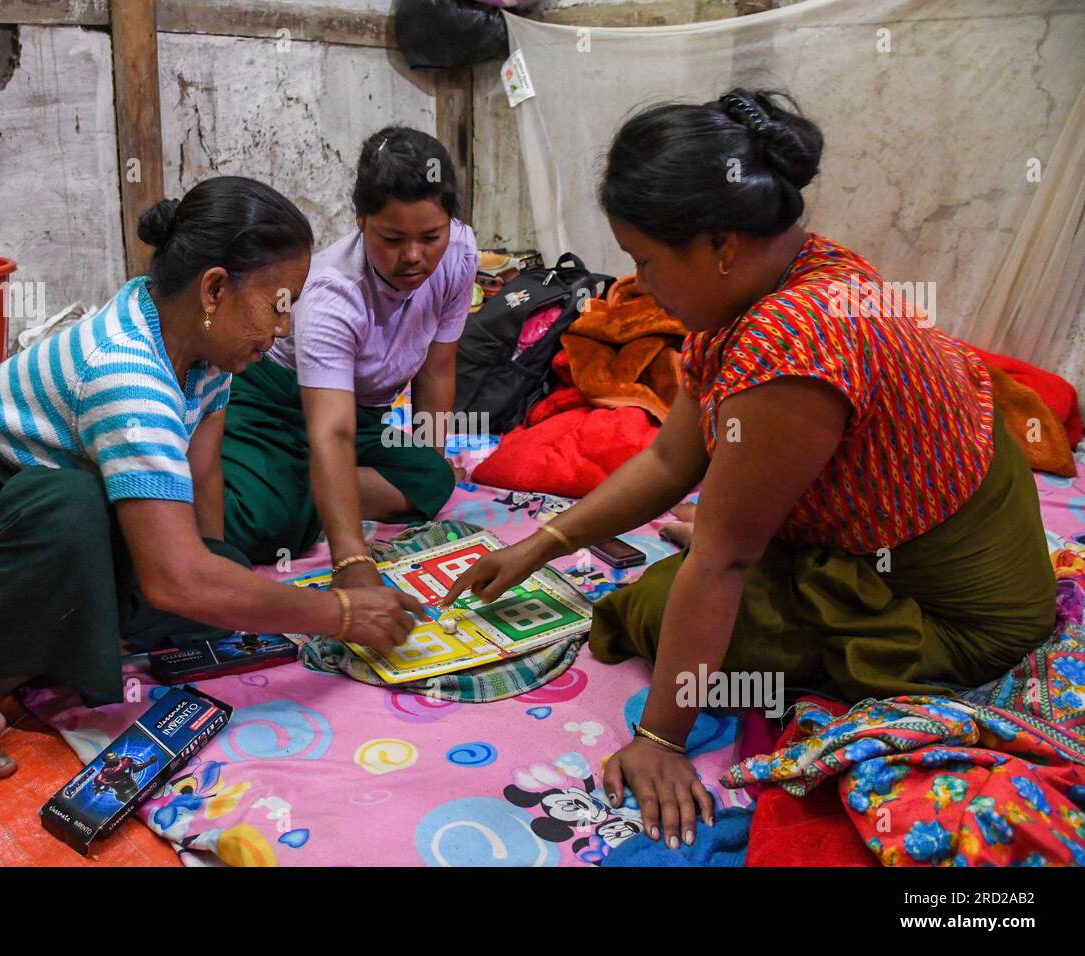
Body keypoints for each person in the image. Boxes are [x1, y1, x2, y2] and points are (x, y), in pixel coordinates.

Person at [442, 89, 1055, 851]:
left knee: (657, 609)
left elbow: (725, 563)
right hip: (924, 526)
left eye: (644, 261)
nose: (637, 285)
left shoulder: (791, 343)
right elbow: (672, 457)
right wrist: (543, 543)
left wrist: (662, 740)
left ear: (720, 246)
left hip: (957, 617)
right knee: (701, 553)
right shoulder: (783, 267)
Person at [0, 176, 422, 798]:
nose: (284, 327)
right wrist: (335, 613)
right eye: (279, 303)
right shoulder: (124, 370)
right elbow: (175, 577)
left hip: (7, 560)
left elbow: (204, 484)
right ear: (215, 288)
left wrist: (211, 574)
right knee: (73, 508)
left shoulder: (201, 347)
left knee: (207, 593)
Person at [221, 127, 478, 592]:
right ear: (360, 220)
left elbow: (437, 370)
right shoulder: (332, 295)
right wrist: (351, 559)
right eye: (392, 238)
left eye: (431, 236)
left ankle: (306, 482)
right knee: (261, 526)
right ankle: (305, 484)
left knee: (431, 480)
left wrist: (428, 457)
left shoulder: (459, 254)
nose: (414, 257)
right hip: (274, 401)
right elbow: (331, 430)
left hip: (354, 412)